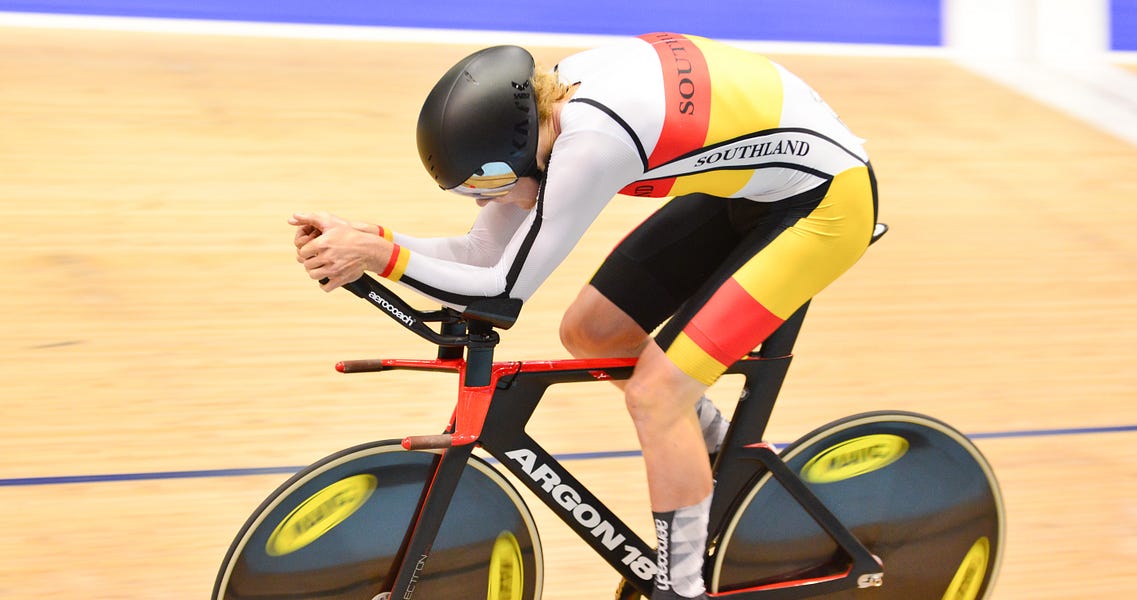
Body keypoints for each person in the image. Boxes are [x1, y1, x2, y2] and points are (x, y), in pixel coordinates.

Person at [291, 32, 878, 600]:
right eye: (468, 190)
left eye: (488, 182)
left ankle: (683, 588)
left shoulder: (592, 140)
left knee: (656, 396)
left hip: (826, 205)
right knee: (591, 332)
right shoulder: (549, 109)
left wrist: (380, 257)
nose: (484, 200)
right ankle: (718, 450)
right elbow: (483, 253)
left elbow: (501, 290)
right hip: (755, 189)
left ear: (516, 145)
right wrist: (377, 240)